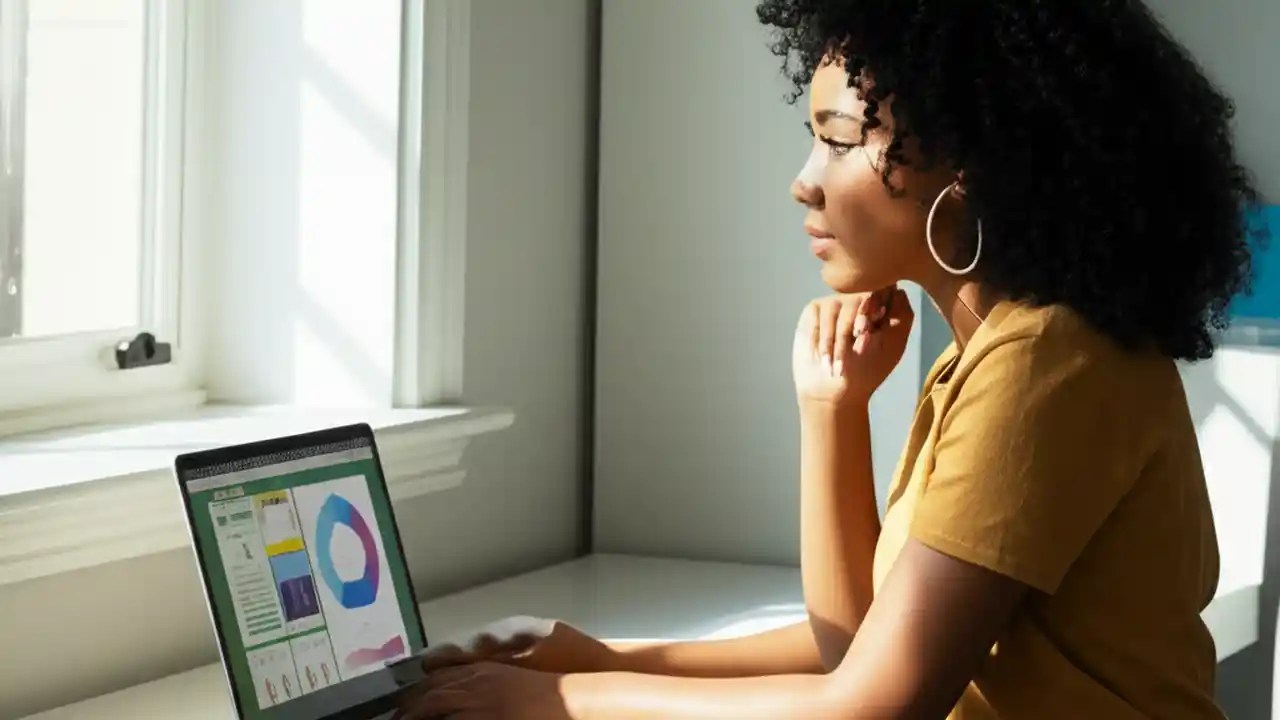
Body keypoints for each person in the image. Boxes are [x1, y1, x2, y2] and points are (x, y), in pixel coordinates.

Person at [398, 1, 1264, 717]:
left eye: (840, 141)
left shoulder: (1046, 363)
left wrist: (559, 701)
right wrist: (832, 410)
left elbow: (872, 703)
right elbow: (856, 642)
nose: (804, 180)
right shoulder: (989, 357)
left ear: (964, 168)